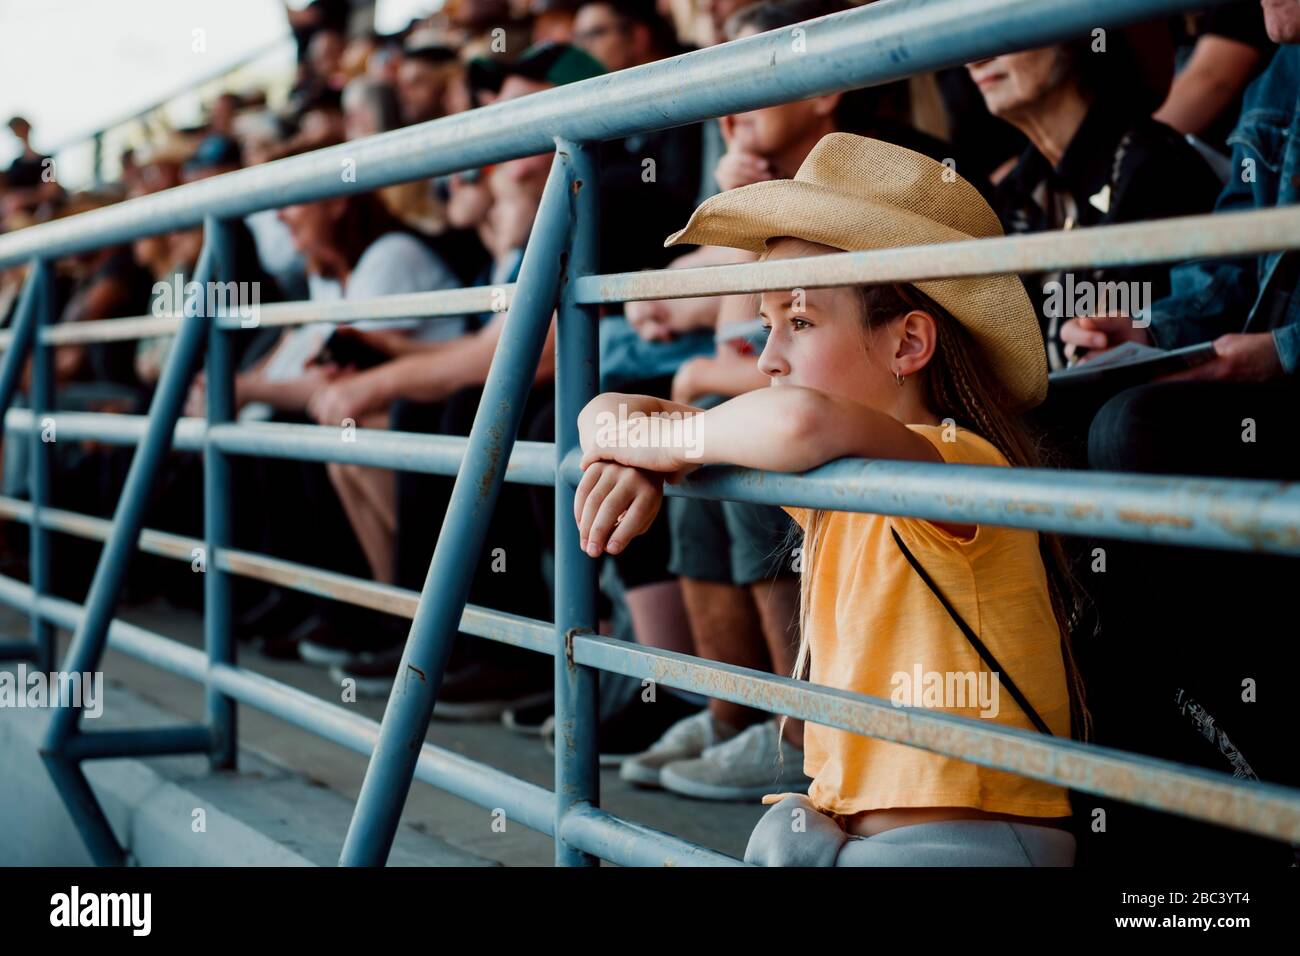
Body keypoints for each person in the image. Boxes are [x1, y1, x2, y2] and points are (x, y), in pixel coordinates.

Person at [575, 133, 1086, 866]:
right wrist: (633, 454)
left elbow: (798, 421)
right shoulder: (835, 482)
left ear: (909, 343)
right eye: (766, 323)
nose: (768, 355)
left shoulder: (956, 460)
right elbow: (604, 409)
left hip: (969, 845)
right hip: (856, 836)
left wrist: (659, 448)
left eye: (802, 321)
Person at [968, 31, 1222, 374]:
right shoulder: (1017, 191)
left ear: (1077, 30)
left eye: (1002, 22)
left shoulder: (1153, 166)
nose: (974, 58)